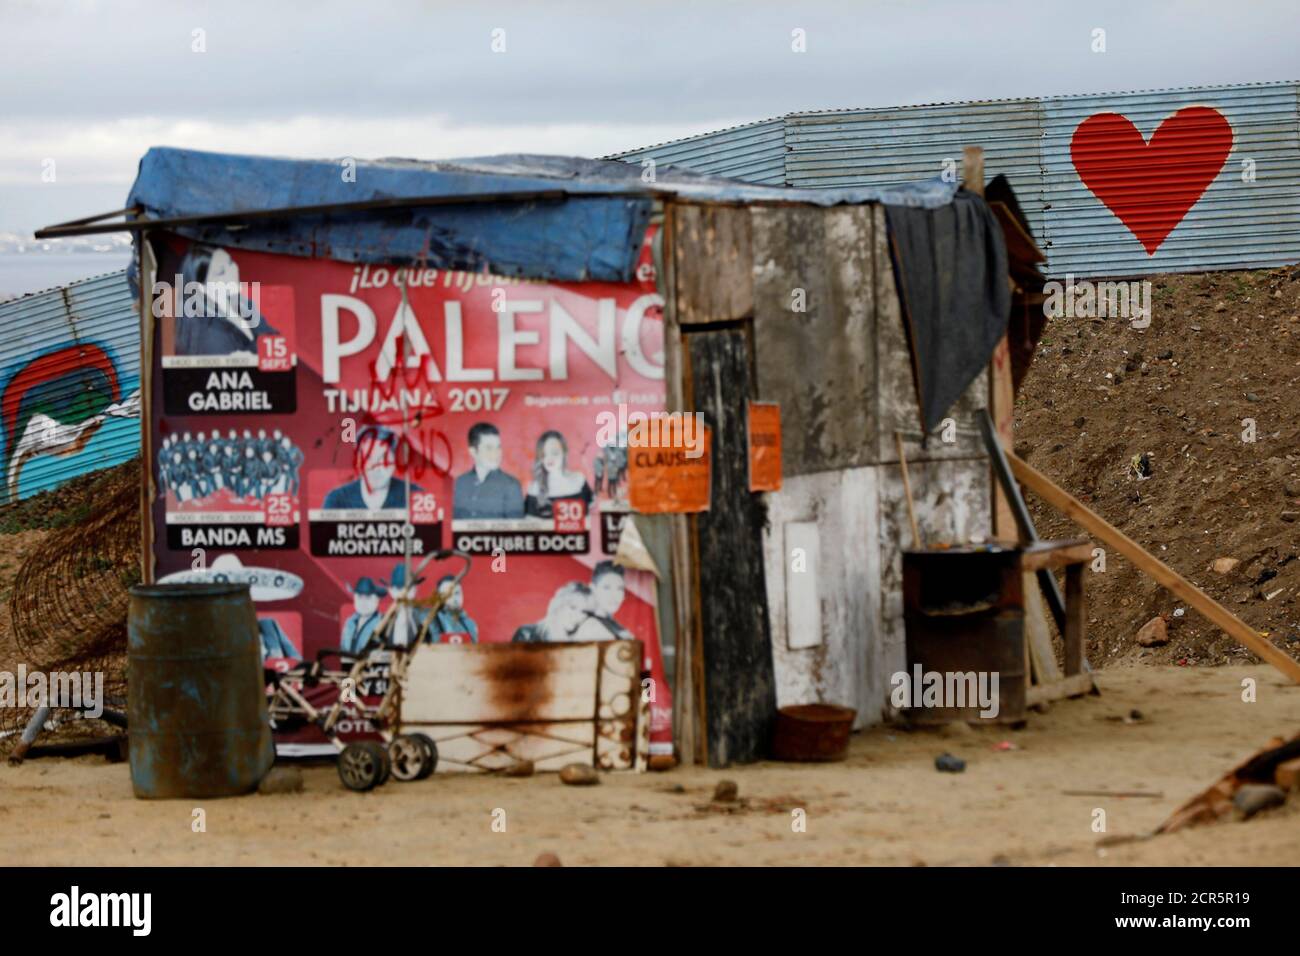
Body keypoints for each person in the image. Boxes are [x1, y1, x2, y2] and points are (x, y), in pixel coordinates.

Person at [322, 425, 423, 511]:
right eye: (368, 457)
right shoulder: (337, 500)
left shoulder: (415, 495)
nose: (375, 467)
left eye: (383, 458)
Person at [452, 422, 524, 520]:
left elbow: (516, 530)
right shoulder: (460, 483)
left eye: (498, 447)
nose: (496, 453)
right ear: (473, 452)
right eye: (489, 448)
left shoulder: (511, 485)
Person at [524, 430, 593, 519]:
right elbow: (531, 525)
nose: (549, 458)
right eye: (544, 454)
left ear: (564, 453)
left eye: (554, 453)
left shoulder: (579, 480)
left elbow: (590, 516)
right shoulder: (534, 487)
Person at [511, 582, 598, 643]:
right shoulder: (527, 635)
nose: (577, 616)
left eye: (583, 612)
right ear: (559, 605)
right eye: (572, 607)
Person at [425, 574, 479, 644]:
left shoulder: (470, 624)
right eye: (448, 594)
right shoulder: (430, 622)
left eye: (457, 593)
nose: (454, 599)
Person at [340, 577, 387, 654]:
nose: (363, 602)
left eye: (368, 597)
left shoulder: (383, 622)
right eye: (359, 597)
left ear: (377, 600)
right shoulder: (349, 622)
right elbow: (343, 649)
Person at [589, 560, 633, 640]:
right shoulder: (588, 625)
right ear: (593, 589)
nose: (614, 595)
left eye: (619, 589)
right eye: (607, 588)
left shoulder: (618, 628)